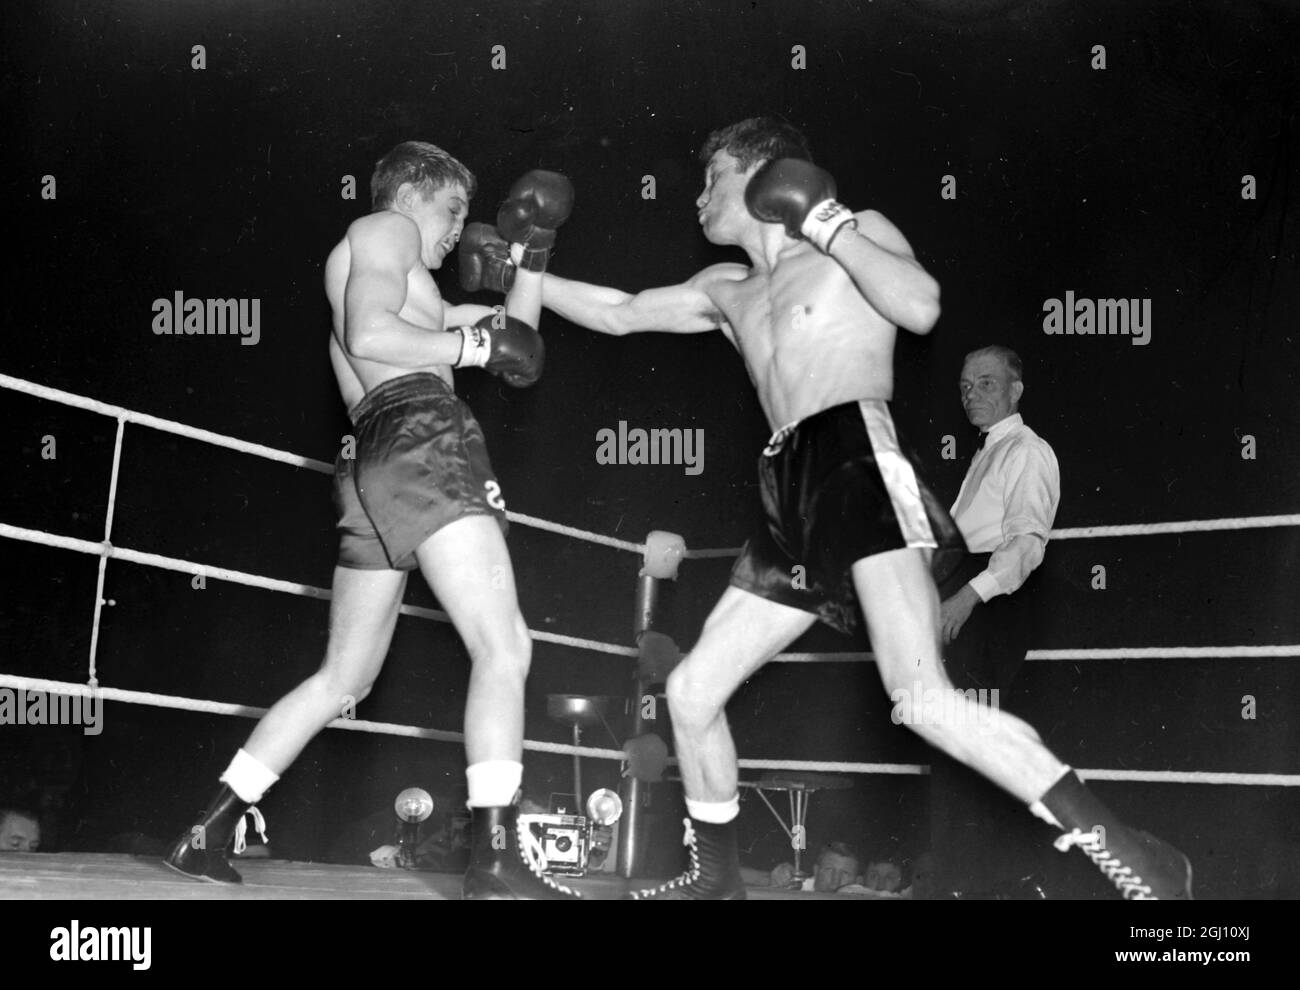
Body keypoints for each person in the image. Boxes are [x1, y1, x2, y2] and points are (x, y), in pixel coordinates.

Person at [461, 116, 1192, 900]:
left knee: (922, 699)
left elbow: (920, 306)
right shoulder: (725, 289)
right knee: (692, 691)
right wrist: (515, 265)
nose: (698, 201)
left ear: (758, 174)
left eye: (710, 181)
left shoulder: (850, 235)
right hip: (789, 486)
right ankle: (717, 881)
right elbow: (620, 310)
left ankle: (1135, 855)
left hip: (854, 458)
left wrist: (824, 218)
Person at [163, 141, 581, 899]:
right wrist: (472, 345)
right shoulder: (383, 231)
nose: (459, 229)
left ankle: (209, 828)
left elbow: (518, 347)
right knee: (505, 645)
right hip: (422, 439)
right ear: (416, 191)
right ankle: (493, 859)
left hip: (374, 458)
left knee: (342, 677)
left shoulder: (402, 273)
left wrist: (531, 255)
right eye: (454, 208)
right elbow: (373, 336)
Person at [931, 345, 1062, 895]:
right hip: (967, 598)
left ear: (1016, 389)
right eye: (965, 386)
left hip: (989, 606)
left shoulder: (1027, 452)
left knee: (969, 751)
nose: (972, 395)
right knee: (953, 749)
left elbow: (1025, 546)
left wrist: (965, 598)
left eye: (987, 383)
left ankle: (975, 887)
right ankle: (959, 884)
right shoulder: (988, 451)